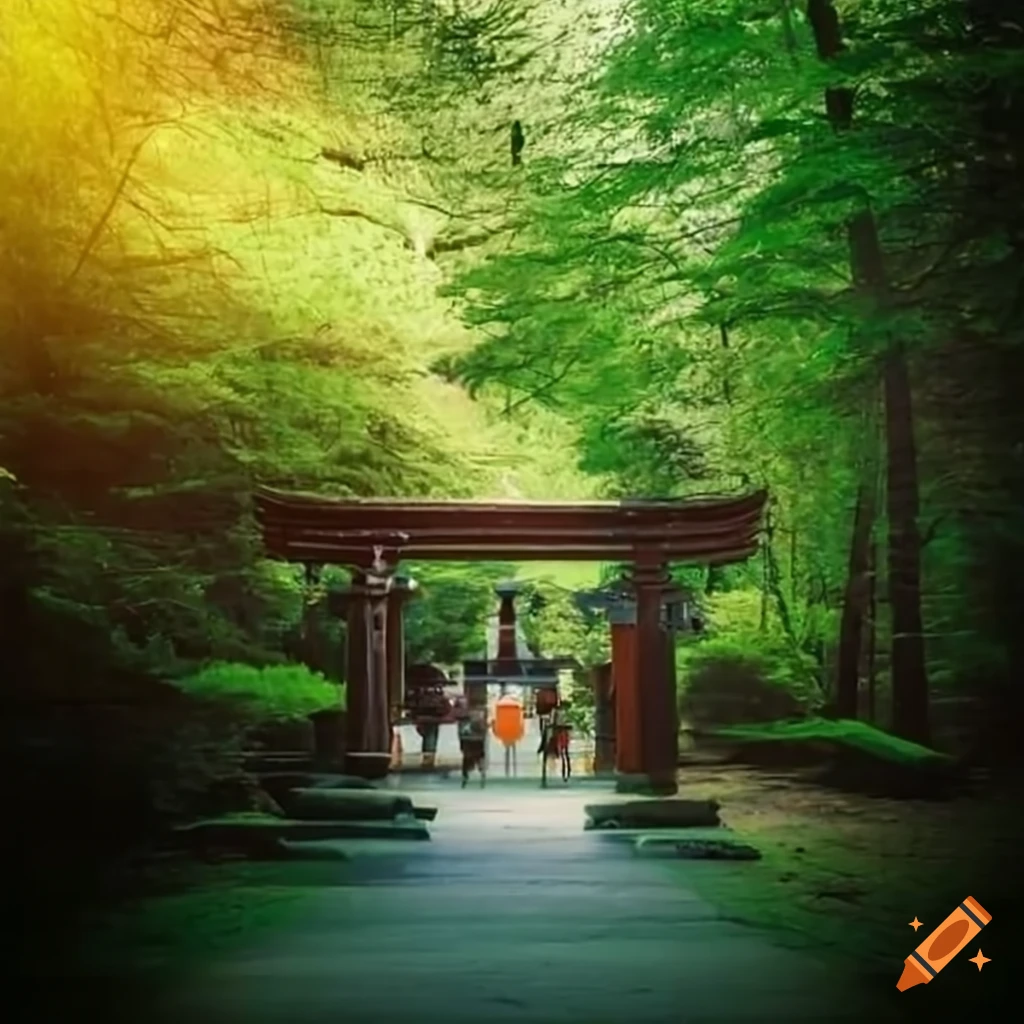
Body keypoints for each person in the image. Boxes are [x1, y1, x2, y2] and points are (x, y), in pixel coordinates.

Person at [458, 707, 487, 788]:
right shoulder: (480, 714)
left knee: (468, 757)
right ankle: (481, 774)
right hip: (477, 739)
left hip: (469, 739)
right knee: (478, 756)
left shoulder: (465, 717)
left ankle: (466, 776)